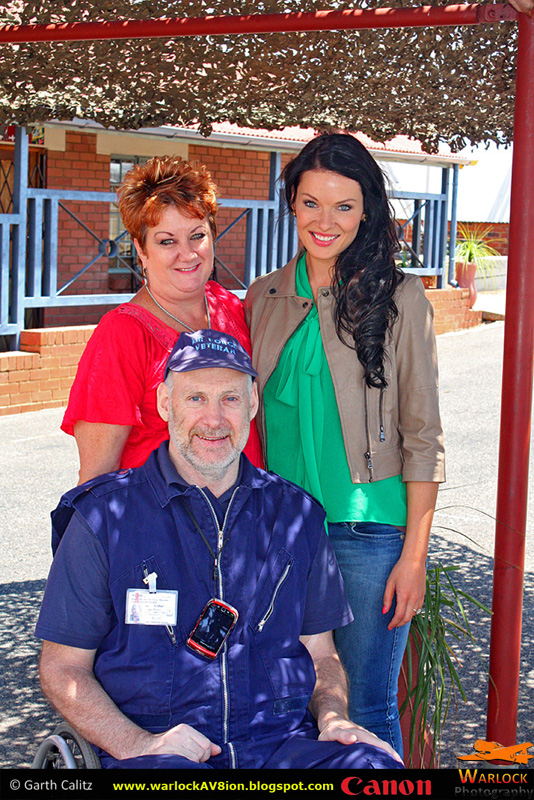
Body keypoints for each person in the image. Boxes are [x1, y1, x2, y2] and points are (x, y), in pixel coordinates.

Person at [36, 330, 403, 771]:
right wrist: (136, 744)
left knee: (376, 772)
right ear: (165, 404)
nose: (213, 419)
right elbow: (62, 668)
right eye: (195, 399)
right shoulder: (103, 517)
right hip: (160, 752)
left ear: (252, 405)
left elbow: (321, 653)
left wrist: (332, 716)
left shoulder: (297, 515)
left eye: (229, 399)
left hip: (279, 746)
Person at [244, 132, 445, 756]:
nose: (324, 222)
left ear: (368, 211)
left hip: (370, 534)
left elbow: (424, 436)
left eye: (344, 206)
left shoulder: (403, 300)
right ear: (292, 206)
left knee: (366, 703)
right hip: (280, 534)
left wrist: (414, 556)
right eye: (311, 204)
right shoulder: (264, 297)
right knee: (295, 698)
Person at [61, 155, 262, 483]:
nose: (187, 253)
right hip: (161, 528)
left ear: (213, 236)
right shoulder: (122, 334)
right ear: (141, 249)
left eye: (197, 235)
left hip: (245, 522)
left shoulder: (231, 308)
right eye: (167, 241)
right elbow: (96, 478)